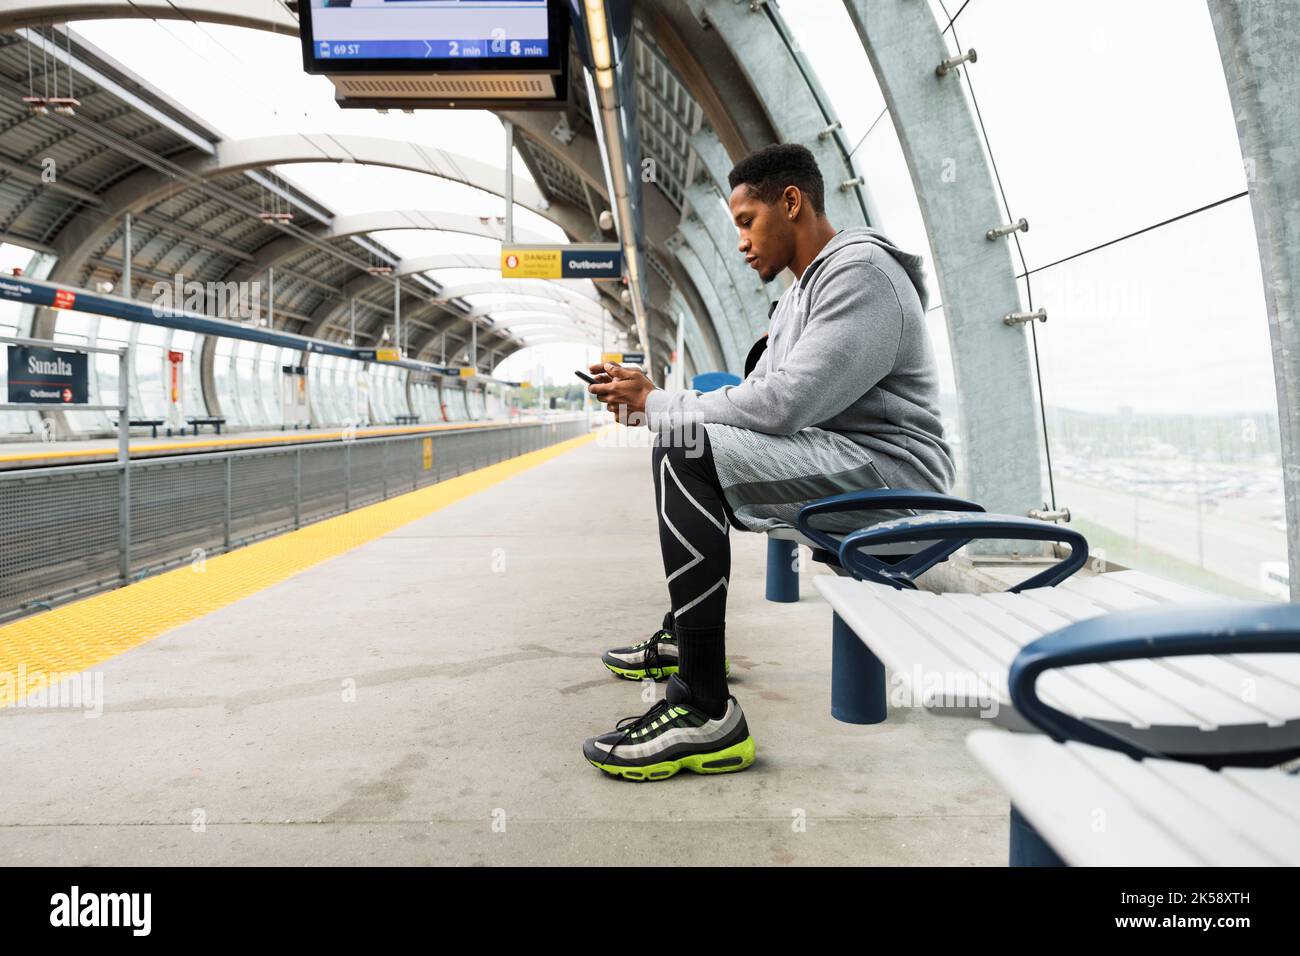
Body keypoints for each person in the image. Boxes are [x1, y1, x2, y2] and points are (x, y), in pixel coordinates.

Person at [582, 143, 956, 781]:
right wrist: (658, 398)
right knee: (682, 437)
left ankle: (704, 709)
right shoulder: (803, 293)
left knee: (682, 443)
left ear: (792, 202)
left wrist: (660, 405)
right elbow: (761, 400)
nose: (740, 243)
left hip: (896, 481)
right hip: (850, 463)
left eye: (746, 222)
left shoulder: (859, 272)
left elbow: (781, 405)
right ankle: (686, 643)